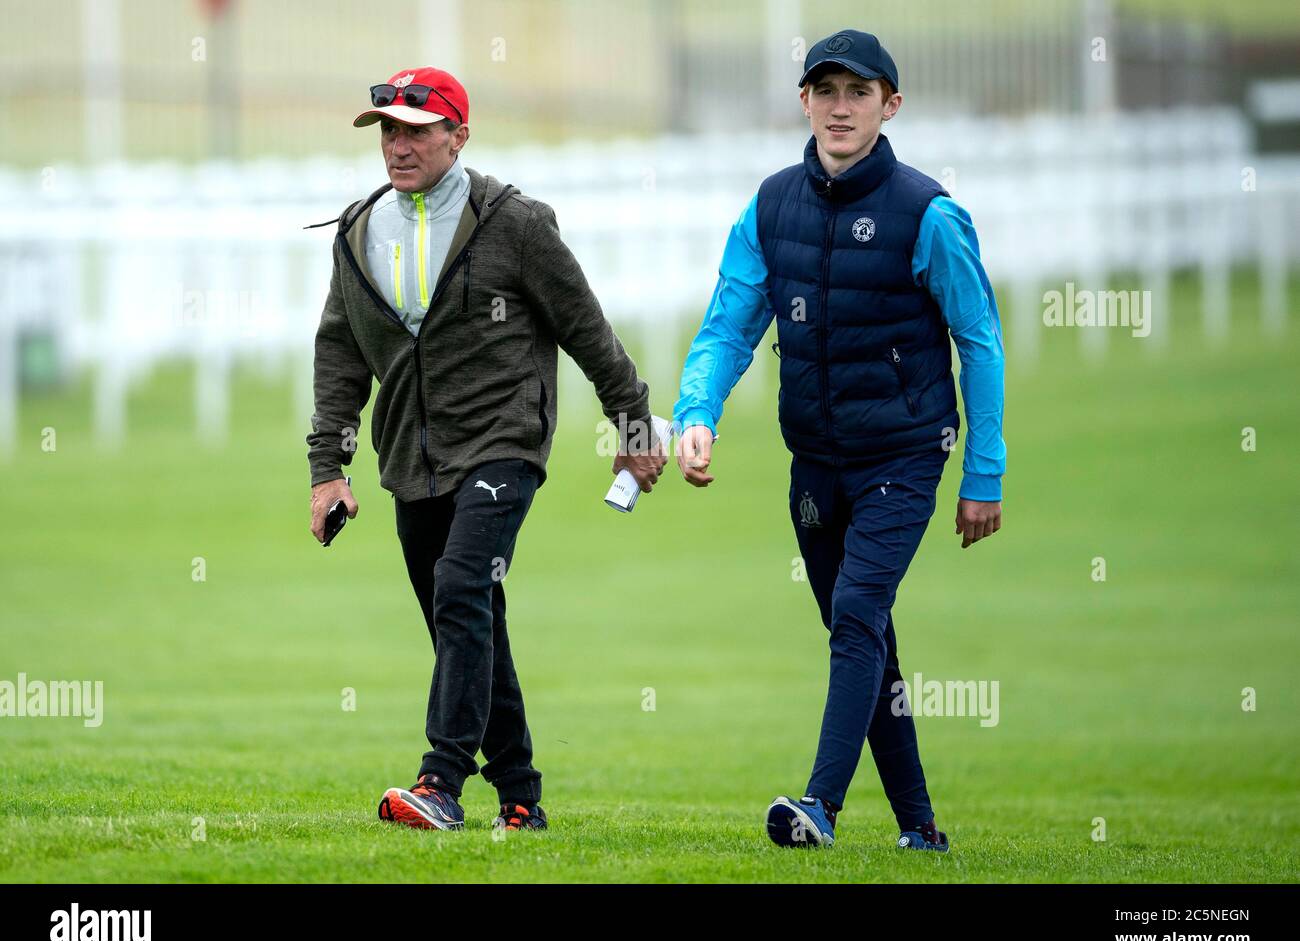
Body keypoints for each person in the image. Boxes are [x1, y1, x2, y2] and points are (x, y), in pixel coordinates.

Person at [305, 66, 665, 832]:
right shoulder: (357, 229)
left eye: (417, 129)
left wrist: (633, 427)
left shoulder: (518, 224)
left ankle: (440, 782)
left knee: (461, 586)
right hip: (410, 459)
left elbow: (587, 332)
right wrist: (327, 470)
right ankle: (521, 794)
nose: (399, 146)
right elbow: (338, 356)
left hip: (505, 444)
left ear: (458, 136)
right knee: (468, 620)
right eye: (389, 131)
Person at [673, 31, 1006, 851]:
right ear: (805, 103)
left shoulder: (929, 214)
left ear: (890, 105)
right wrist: (697, 413)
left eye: (859, 91)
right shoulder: (770, 204)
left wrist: (983, 471)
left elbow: (981, 341)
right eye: (826, 90)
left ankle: (819, 806)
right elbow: (729, 323)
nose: (841, 106)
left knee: (858, 610)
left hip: (903, 454)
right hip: (815, 463)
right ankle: (921, 829)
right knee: (865, 635)